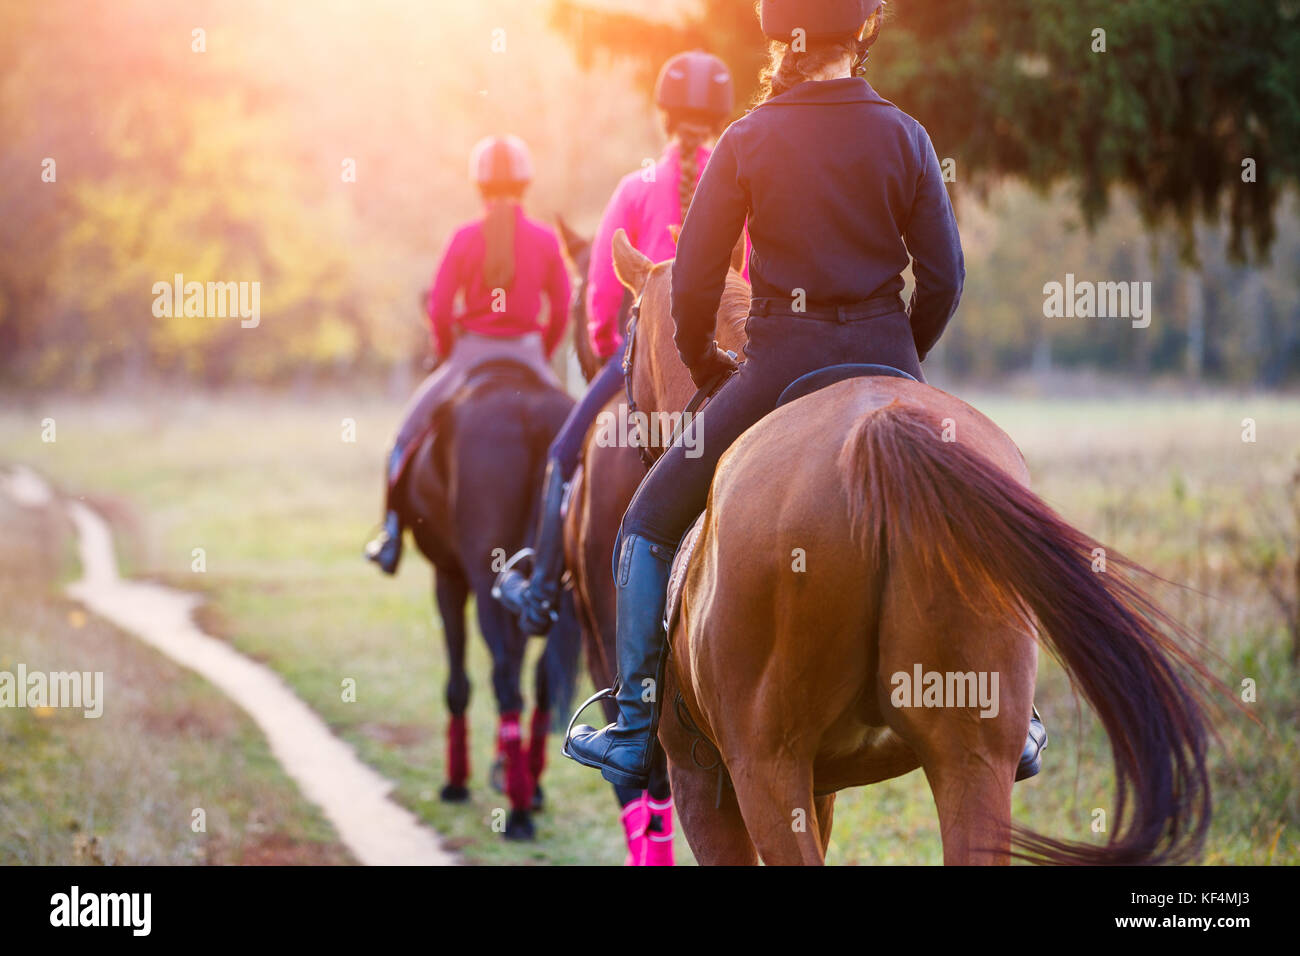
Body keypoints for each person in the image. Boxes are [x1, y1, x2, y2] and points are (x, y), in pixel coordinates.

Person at [563, 0, 1048, 788]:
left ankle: (633, 726)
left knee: (646, 525)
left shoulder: (749, 138)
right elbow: (947, 277)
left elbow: (691, 282)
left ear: (779, 38)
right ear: (865, 30)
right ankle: (1013, 717)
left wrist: (705, 360)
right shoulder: (906, 134)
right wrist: (898, 360)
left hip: (775, 369)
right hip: (890, 362)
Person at [494, 51, 736, 632]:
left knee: (562, 455)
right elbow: (746, 280)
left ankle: (542, 587)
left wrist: (608, 344)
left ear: (663, 117)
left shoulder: (635, 186)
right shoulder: (738, 183)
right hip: (727, 360)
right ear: (719, 120)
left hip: (644, 350)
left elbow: (602, 289)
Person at [365, 135, 570, 574]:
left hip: (468, 355)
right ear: (525, 184)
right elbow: (562, 308)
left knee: (402, 440)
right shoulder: (546, 240)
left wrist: (449, 355)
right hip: (530, 354)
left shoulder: (463, 238)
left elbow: (440, 310)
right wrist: (542, 354)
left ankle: (389, 535)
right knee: (579, 437)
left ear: (479, 187)